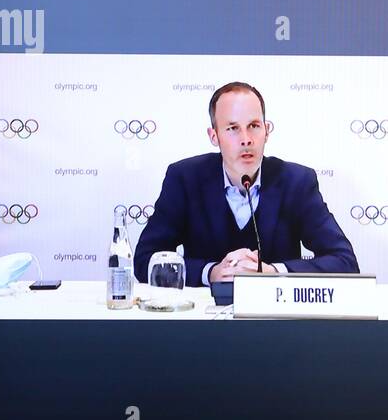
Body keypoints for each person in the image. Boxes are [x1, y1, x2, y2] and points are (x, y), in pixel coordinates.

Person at [133, 81, 359, 286]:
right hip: (203, 322)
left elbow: (344, 262)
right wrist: (210, 273)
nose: (246, 139)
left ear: (266, 131)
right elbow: (145, 260)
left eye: (253, 126)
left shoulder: (296, 181)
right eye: (232, 128)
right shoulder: (184, 178)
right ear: (214, 136)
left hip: (276, 321)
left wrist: (275, 272)